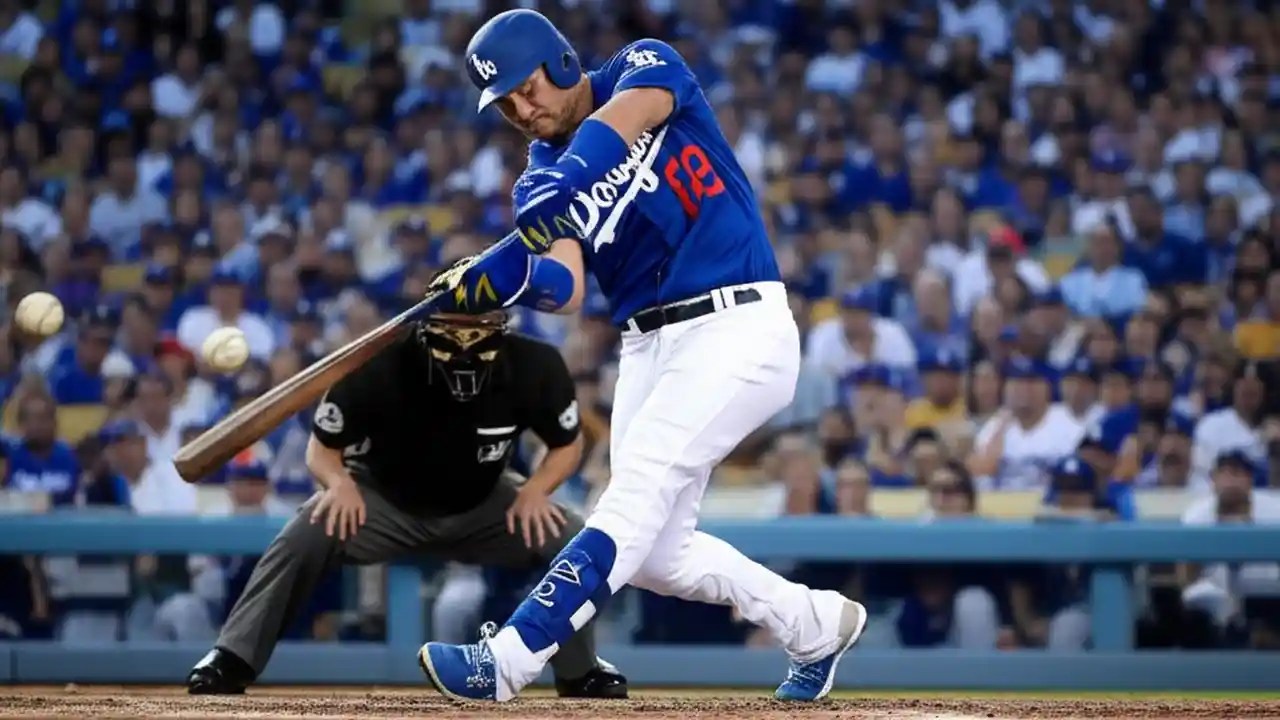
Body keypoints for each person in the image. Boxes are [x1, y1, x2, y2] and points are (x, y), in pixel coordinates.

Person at [417, 9, 864, 704]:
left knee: (632, 496)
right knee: (657, 555)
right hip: (648, 347)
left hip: (737, 323)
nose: (521, 110)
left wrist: (564, 186)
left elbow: (626, 119)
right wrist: (497, 283)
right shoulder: (538, 176)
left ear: (561, 63)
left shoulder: (640, 66)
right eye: (504, 104)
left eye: (527, 88)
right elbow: (564, 285)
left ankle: (507, 661)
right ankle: (815, 624)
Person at [186, 310, 626, 699]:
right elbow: (321, 448)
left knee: (570, 536)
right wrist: (338, 482)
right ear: (425, 329)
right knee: (306, 532)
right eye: (453, 332)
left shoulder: (533, 363)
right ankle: (233, 657)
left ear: (501, 327)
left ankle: (579, 670)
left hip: (484, 501)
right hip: (382, 500)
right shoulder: (379, 362)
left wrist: (536, 489)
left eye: (478, 331)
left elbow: (566, 445)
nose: (465, 347)